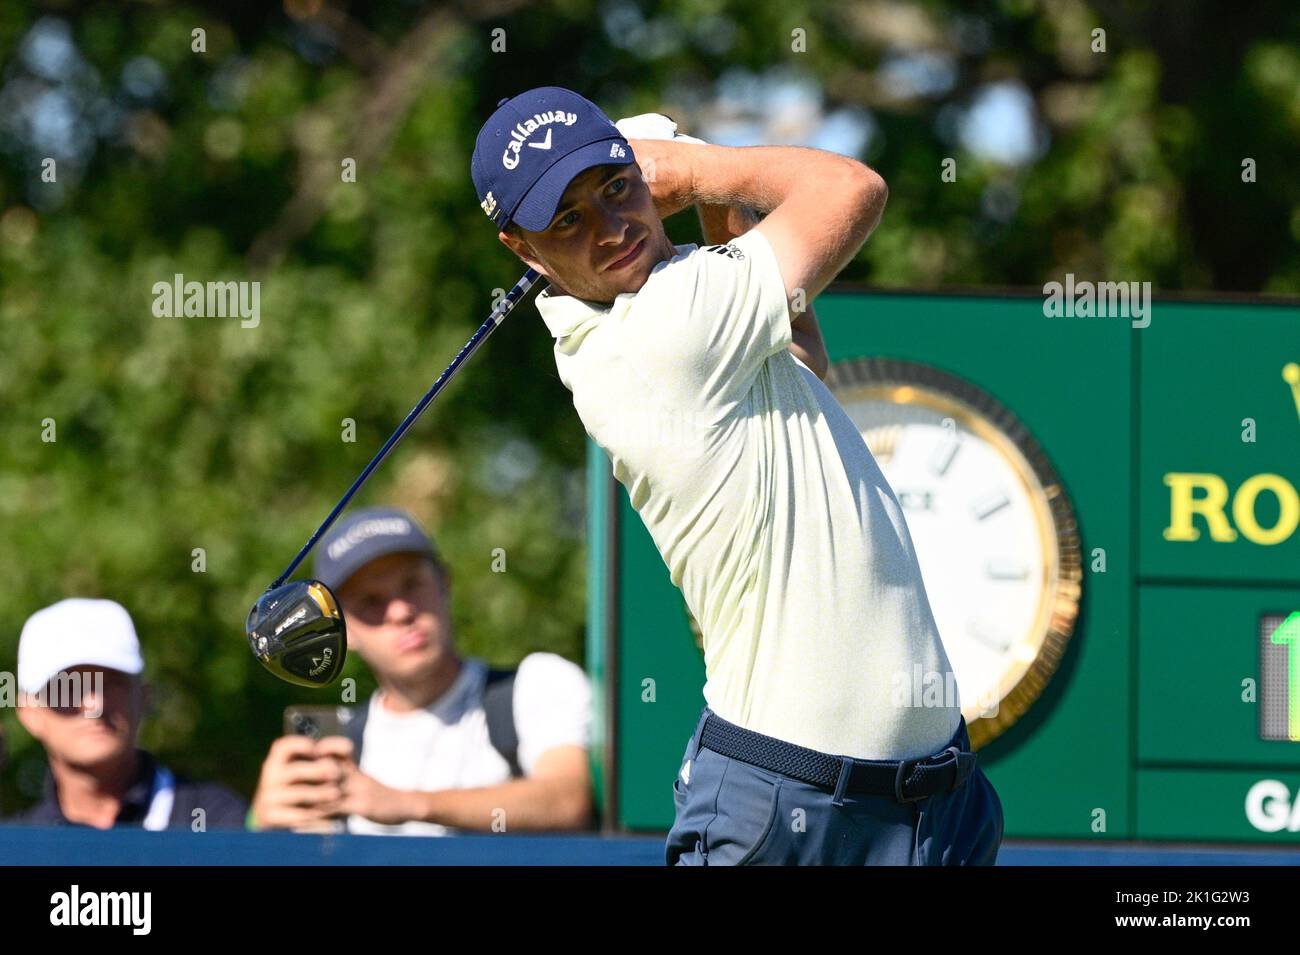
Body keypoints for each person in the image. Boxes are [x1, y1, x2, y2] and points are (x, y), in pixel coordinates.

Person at [471, 87, 1003, 864]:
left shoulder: (681, 311)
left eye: (616, 188)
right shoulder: (664, 328)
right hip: (790, 807)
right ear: (523, 250)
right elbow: (852, 189)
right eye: (568, 220)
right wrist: (698, 171)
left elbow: (800, 351)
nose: (612, 227)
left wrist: (708, 206)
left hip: (931, 802)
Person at [249, 507, 593, 836]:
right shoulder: (338, 746)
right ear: (343, 629)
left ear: (445, 583)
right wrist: (263, 823)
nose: (400, 611)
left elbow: (566, 800)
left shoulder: (537, 685)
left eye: (412, 584)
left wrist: (407, 804)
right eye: (370, 601)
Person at [6, 598, 247, 830]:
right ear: (28, 713)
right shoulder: (13, 849)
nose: (93, 705)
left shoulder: (220, 822)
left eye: (111, 684)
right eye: (68, 687)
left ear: (143, 697)